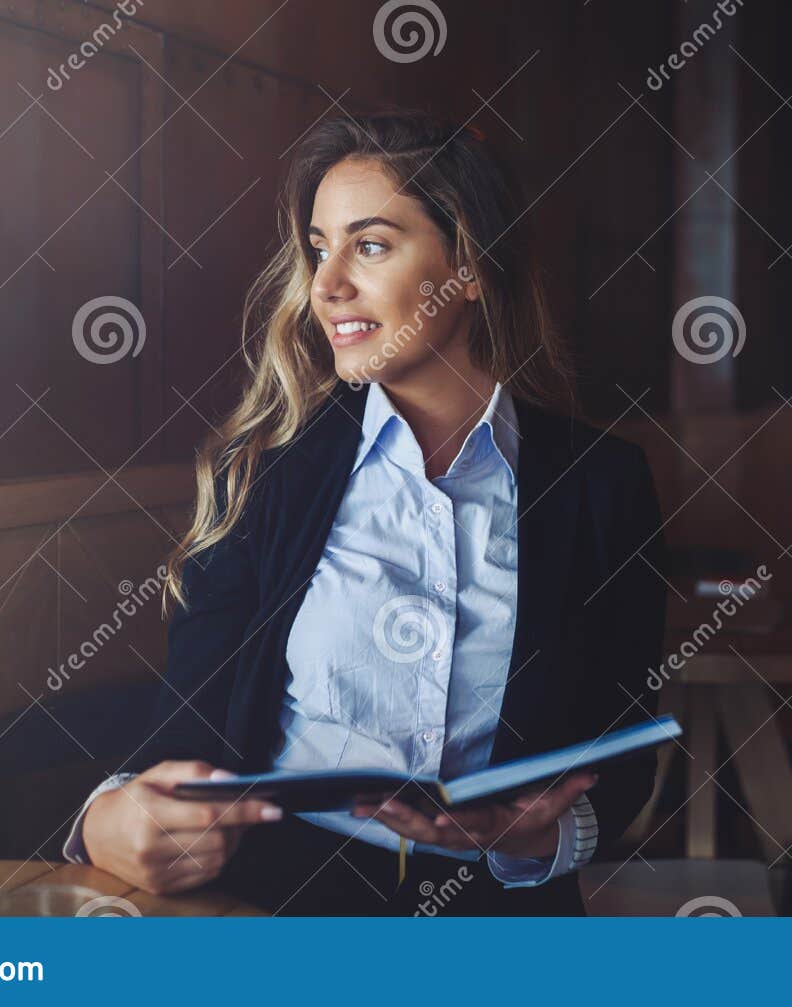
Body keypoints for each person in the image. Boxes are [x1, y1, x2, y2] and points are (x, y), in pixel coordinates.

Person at [60, 109, 668, 915]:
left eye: (370, 245)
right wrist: (105, 818)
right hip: (276, 909)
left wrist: (537, 835)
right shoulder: (266, 472)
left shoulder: (604, 484)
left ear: (470, 266)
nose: (326, 285)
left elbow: (621, 756)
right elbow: (183, 739)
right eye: (319, 248)